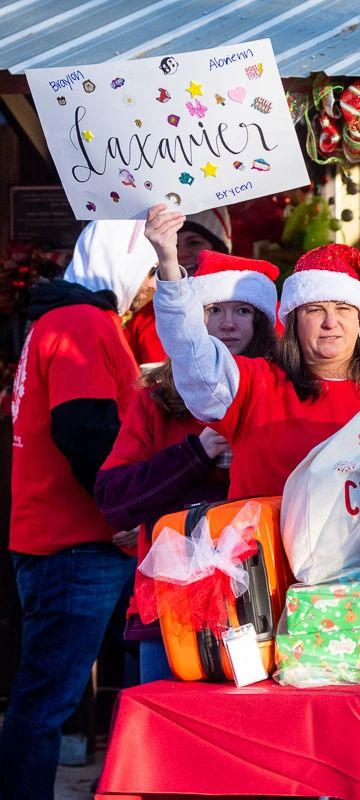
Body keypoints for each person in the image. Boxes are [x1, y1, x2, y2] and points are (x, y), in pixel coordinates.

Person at [0, 221, 155, 800]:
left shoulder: (63, 319)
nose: (146, 287)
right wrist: (124, 511)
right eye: (143, 269)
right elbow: (83, 427)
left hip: (62, 538)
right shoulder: (84, 322)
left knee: (44, 696)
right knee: (47, 701)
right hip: (76, 543)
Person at [94, 251, 280, 682]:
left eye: (243, 311)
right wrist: (195, 455)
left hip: (265, 600)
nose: (228, 324)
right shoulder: (157, 399)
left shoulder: (284, 389)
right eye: (214, 310)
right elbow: (114, 499)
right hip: (170, 607)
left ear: (265, 322)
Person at [145, 204, 360, 497]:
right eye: (314, 310)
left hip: (359, 543)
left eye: (343, 308)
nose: (331, 322)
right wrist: (167, 260)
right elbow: (190, 352)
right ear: (293, 323)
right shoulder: (255, 383)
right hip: (265, 542)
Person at [124, 207, 232, 367]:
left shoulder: (254, 307)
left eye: (194, 243)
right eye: (173, 244)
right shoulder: (146, 318)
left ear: (219, 248)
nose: (181, 254)